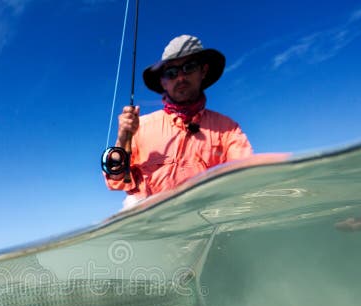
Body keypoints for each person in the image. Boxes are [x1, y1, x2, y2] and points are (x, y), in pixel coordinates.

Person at [104, 35, 253, 207]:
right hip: (149, 224)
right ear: (163, 82)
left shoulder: (228, 129)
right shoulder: (139, 127)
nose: (180, 77)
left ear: (203, 71)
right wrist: (122, 140)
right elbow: (116, 181)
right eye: (171, 73)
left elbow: (244, 178)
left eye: (189, 67)